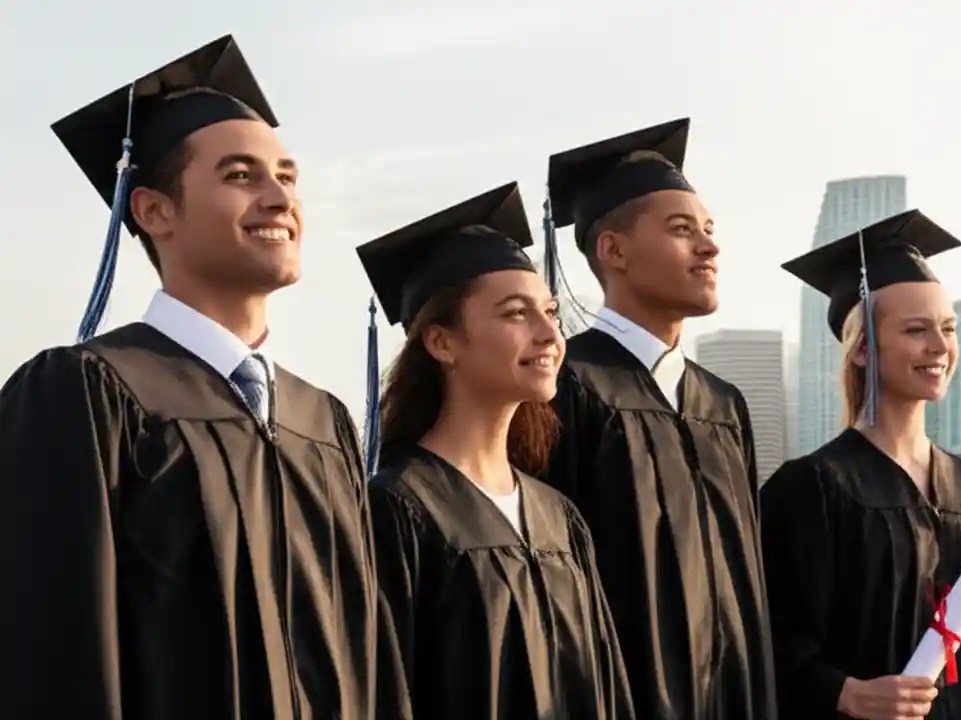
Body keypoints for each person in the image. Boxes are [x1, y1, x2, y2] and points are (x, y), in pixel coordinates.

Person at [0, 36, 379, 718]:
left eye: (287, 177)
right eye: (240, 176)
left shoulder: (322, 423)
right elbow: (52, 654)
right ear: (152, 210)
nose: (278, 198)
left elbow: (366, 661)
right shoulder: (85, 393)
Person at [358, 182, 634, 719]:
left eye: (550, 312)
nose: (550, 334)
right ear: (442, 343)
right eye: (515, 314)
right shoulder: (396, 510)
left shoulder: (559, 518)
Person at [762, 209, 961, 719]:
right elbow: (768, 639)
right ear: (862, 350)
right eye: (916, 330)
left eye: (948, 328)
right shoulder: (813, 488)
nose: (940, 347)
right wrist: (842, 691)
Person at [542, 118, 776, 719]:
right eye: (682, 230)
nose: (709, 246)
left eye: (709, 230)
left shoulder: (723, 406)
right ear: (613, 251)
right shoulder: (565, 388)